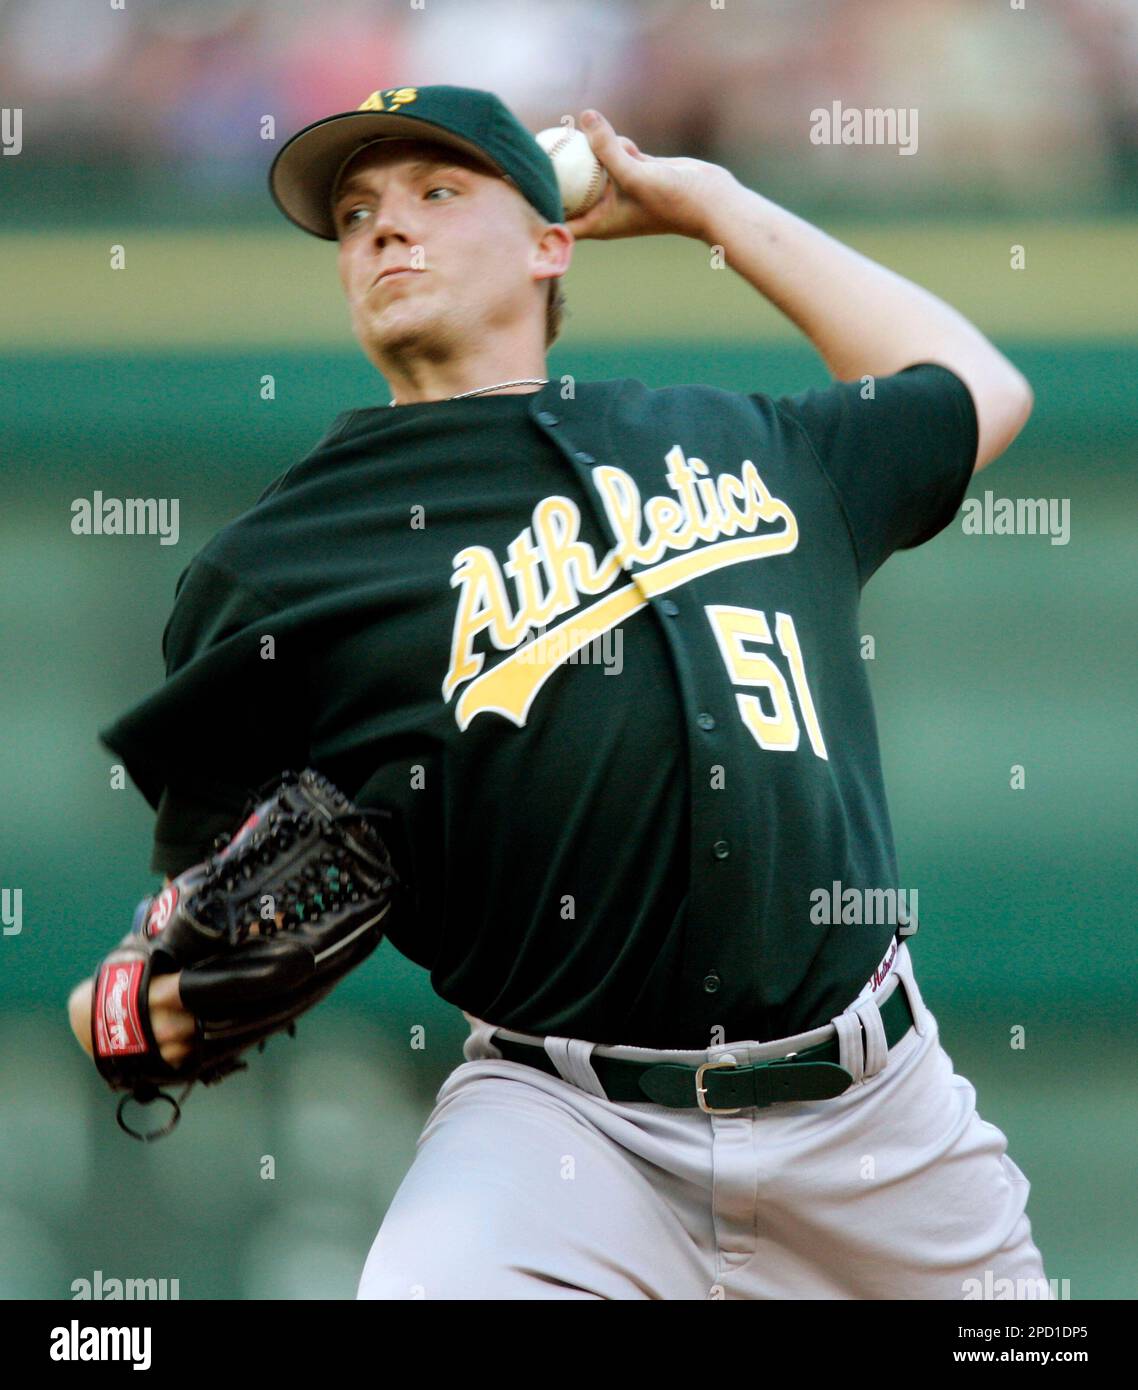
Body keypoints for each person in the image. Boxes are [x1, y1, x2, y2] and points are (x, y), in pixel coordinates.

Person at [70, 85, 1047, 1300]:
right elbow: (193, 922)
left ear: (550, 242)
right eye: (358, 211)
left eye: (436, 191)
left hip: (877, 1119)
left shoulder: (732, 440)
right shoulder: (275, 564)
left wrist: (712, 204)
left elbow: (977, 387)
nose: (383, 227)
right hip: (563, 1124)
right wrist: (121, 1003)